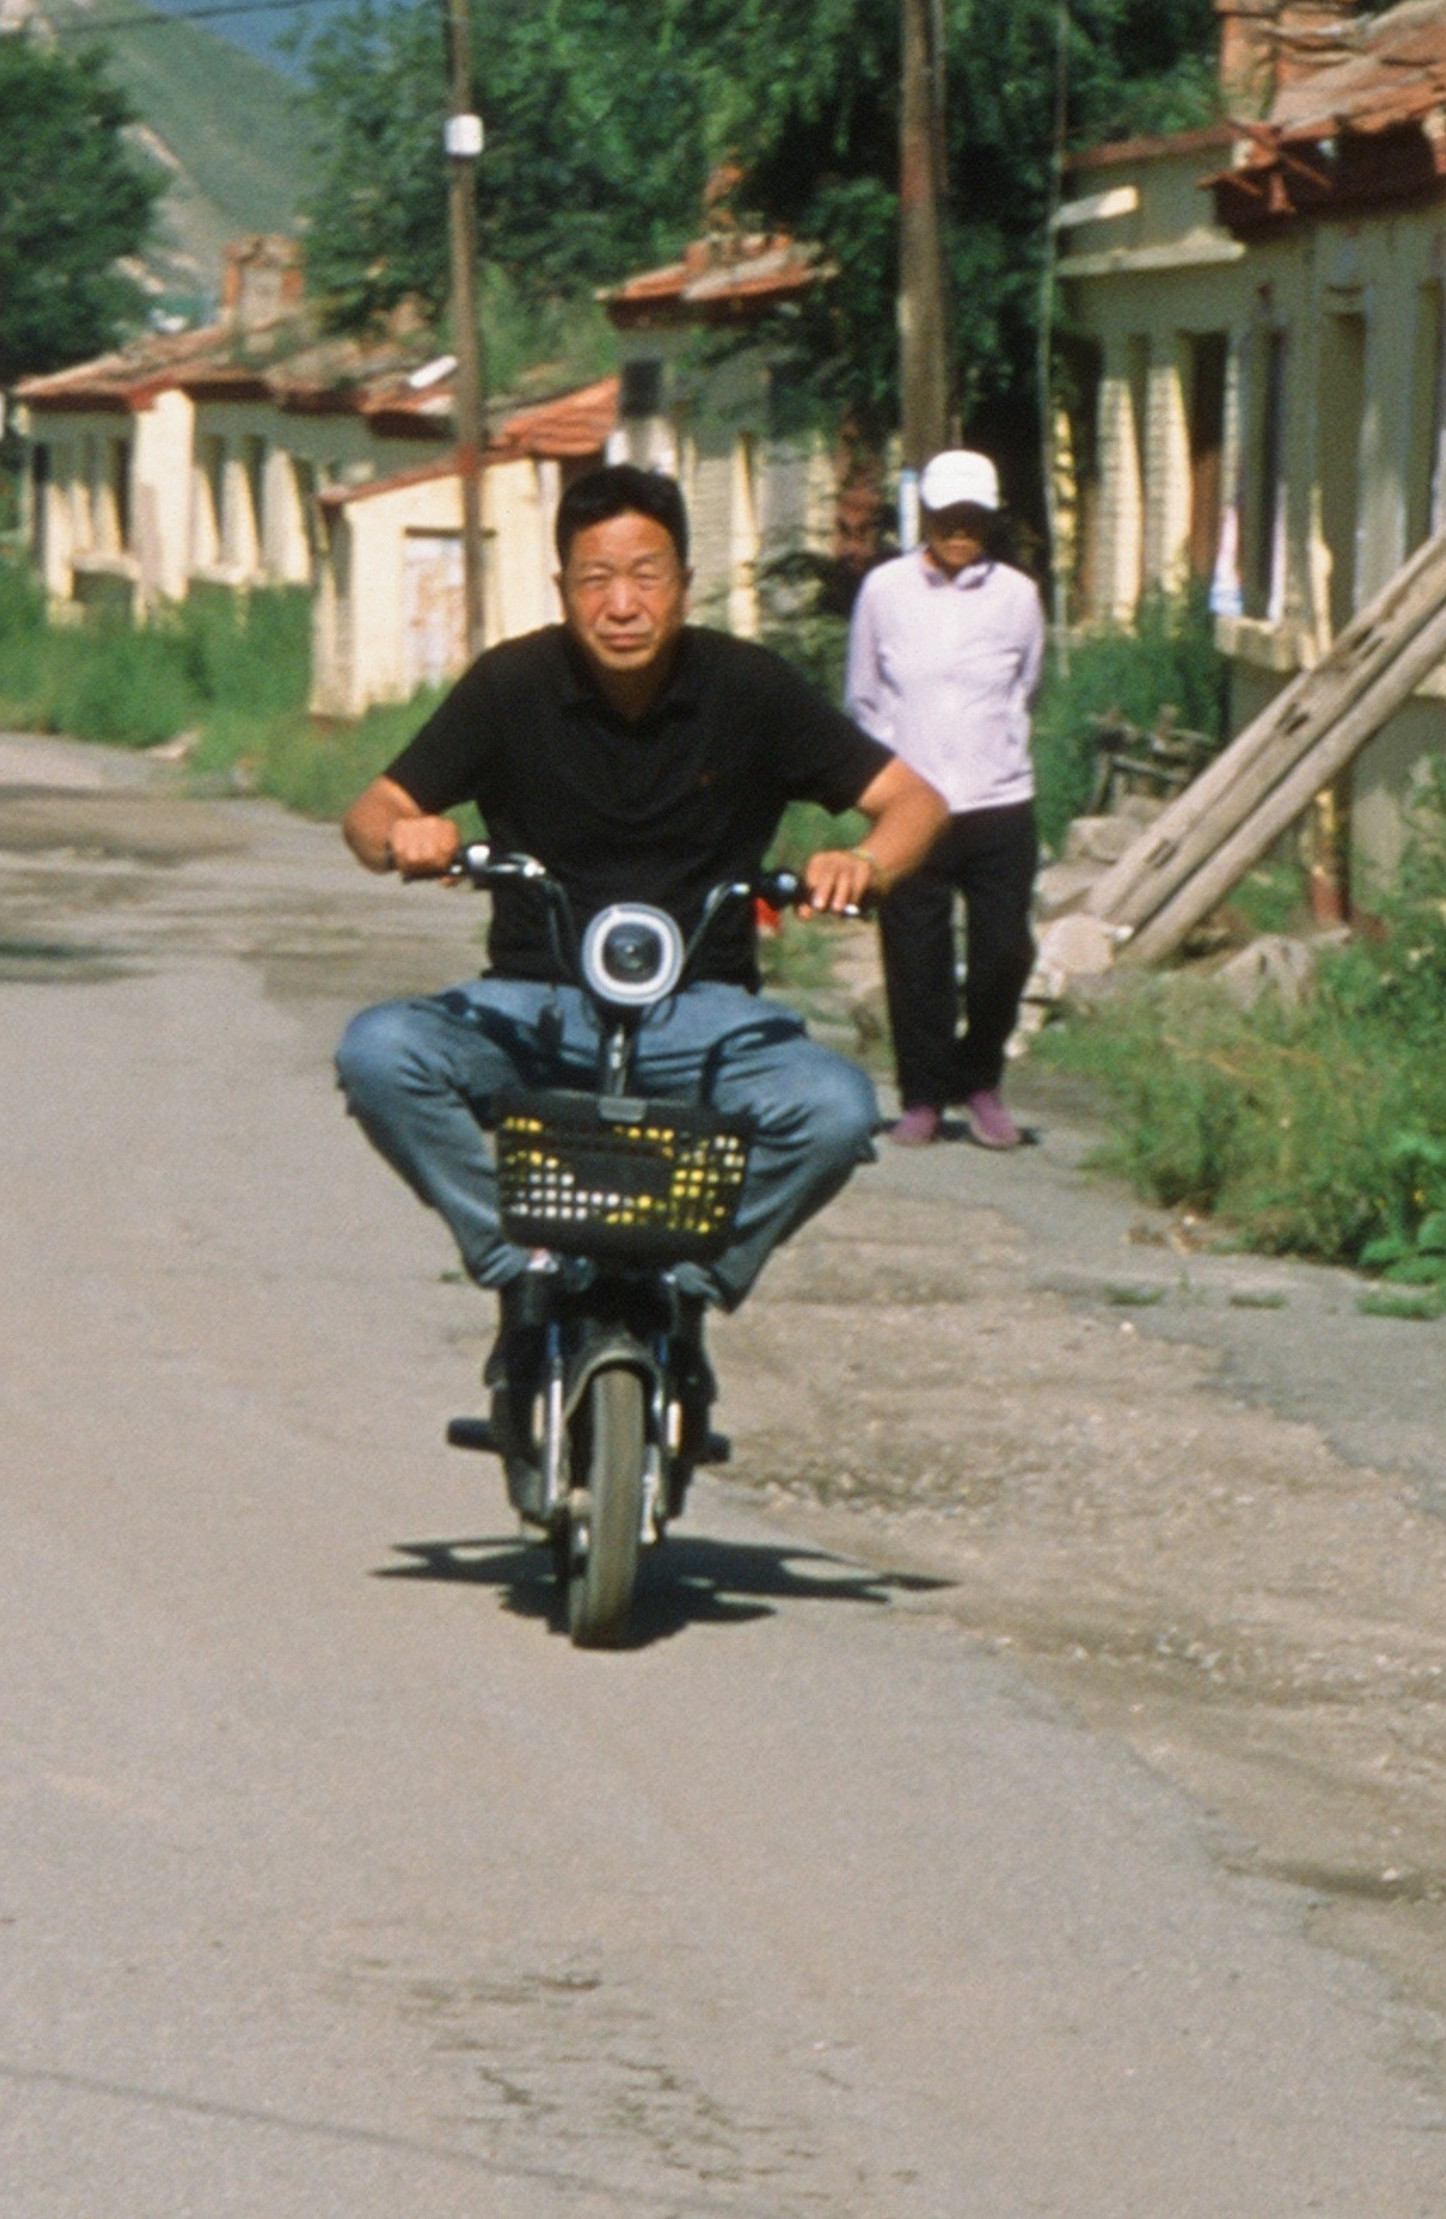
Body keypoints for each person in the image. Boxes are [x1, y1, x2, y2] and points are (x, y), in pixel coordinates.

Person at [332, 462, 933, 1465]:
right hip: (537, 1009)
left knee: (834, 1107)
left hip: (702, 1015)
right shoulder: (512, 684)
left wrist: (862, 862)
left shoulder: (749, 688)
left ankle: (689, 1281)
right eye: (595, 577)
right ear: (562, 587)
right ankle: (517, 1264)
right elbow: (368, 810)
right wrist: (410, 832)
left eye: (646, 573)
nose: (622, 602)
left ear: (685, 582)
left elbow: (917, 802)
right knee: (380, 1049)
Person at [842, 448, 1052, 1150]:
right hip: (913, 802)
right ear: (925, 515)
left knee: (1003, 950)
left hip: (998, 798)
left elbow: (1026, 684)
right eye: (946, 516)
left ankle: (981, 1077)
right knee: (914, 951)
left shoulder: (1018, 595)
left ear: (990, 520)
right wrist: (888, 787)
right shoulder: (885, 590)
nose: (959, 530)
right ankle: (924, 1094)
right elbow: (865, 695)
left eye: (972, 518)